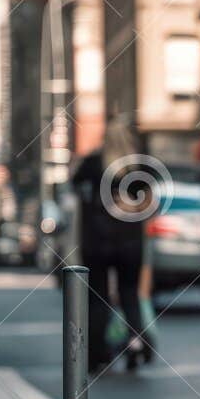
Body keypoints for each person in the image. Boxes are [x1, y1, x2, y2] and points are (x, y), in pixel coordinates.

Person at [72, 121, 153, 373]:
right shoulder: (140, 167)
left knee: (99, 299)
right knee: (130, 295)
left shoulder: (93, 163)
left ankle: (97, 352)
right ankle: (136, 345)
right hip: (130, 243)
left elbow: (74, 186)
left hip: (97, 242)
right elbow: (149, 203)